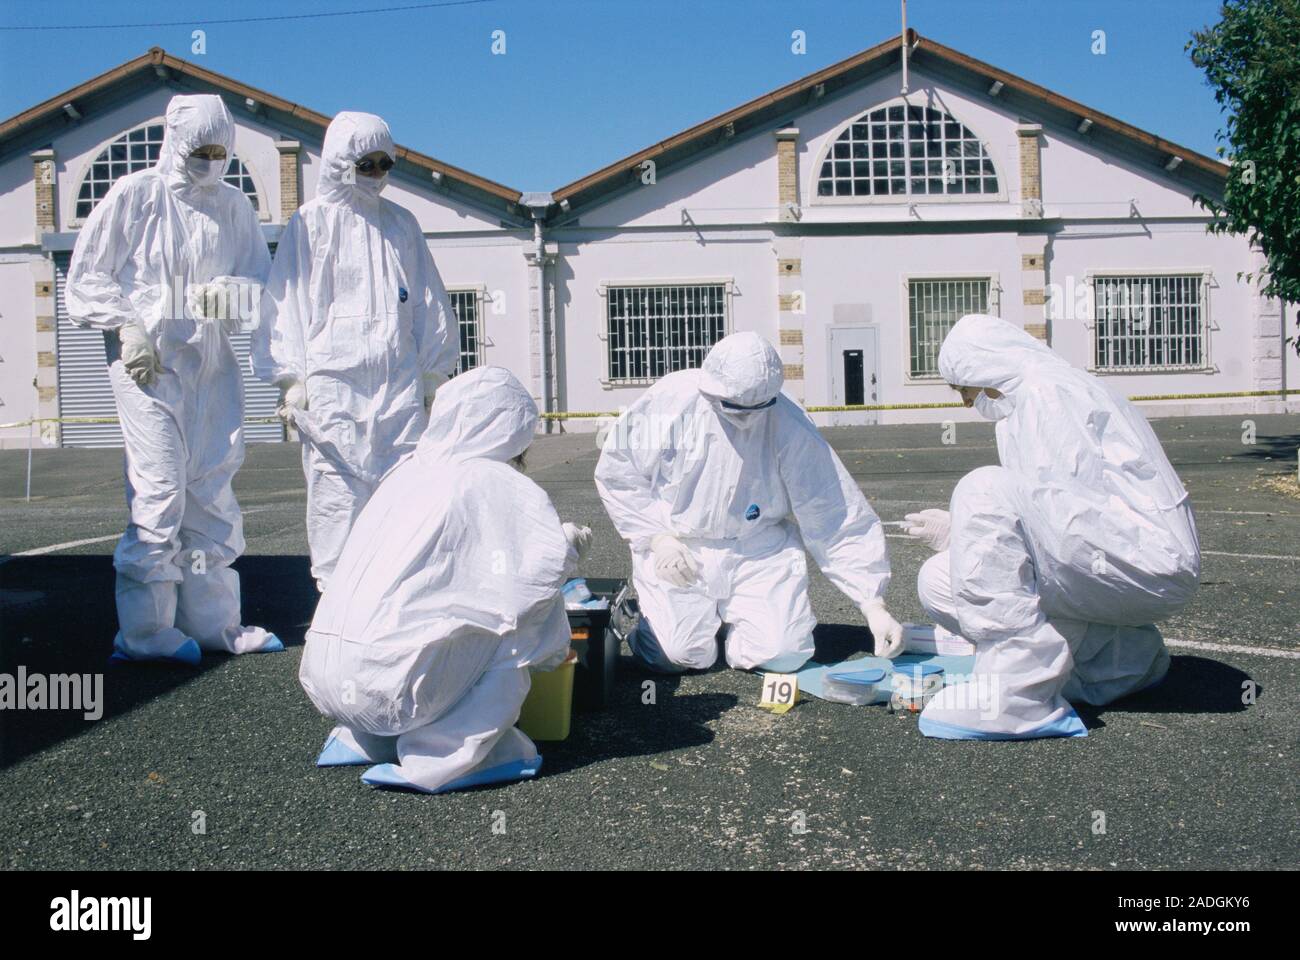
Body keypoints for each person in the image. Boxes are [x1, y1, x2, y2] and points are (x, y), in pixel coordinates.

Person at [904, 314, 1200, 740]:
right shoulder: (1033, 396)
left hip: (1142, 560)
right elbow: (1059, 513)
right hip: (1121, 558)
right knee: (939, 578)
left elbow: (1067, 519)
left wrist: (978, 527)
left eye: (963, 386)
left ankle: (1016, 700)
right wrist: (963, 535)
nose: (966, 402)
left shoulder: (1051, 393)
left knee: (982, 487)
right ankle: (1126, 662)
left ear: (982, 367)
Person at [299, 366, 593, 794]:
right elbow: (527, 590)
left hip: (330, 683)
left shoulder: (406, 472)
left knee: (438, 614)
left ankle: (367, 740)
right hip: (396, 689)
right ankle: (445, 758)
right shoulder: (492, 479)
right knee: (520, 626)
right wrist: (566, 548)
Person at [66, 94, 281, 664]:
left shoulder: (234, 206)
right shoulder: (136, 195)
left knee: (210, 489)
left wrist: (233, 298)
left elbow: (261, 282)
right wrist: (126, 327)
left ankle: (215, 624)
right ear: (175, 142)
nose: (211, 161)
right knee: (159, 490)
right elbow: (89, 274)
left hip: (209, 359)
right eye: (200, 151)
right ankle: (145, 634)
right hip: (149, 363)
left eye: (220, 152)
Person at [595, 331, 904, 675]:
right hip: (681, 546)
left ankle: (733, 623)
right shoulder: (670, 401)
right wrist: (657, 537)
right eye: (731, 406)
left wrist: (872, 602)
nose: (743, 418)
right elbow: (619, 473)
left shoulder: (789, 423)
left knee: (783, 655)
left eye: (754, 409)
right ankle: (662, 624)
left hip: (758, 548)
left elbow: (833, 510)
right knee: (675, 657)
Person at [253, 111, 458, 590]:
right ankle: (337, 620)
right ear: (340, 160)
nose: (379, 175)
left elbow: (429, 299)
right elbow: (285, 301)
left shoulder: (401, 224)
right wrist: (291, 378)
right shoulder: (311, 224)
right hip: (333, 390)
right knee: (336, 498)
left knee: (404, 498)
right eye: (367, 164)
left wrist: (433, 374)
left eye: (386, 164)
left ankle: (397, 612)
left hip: (399, 388)